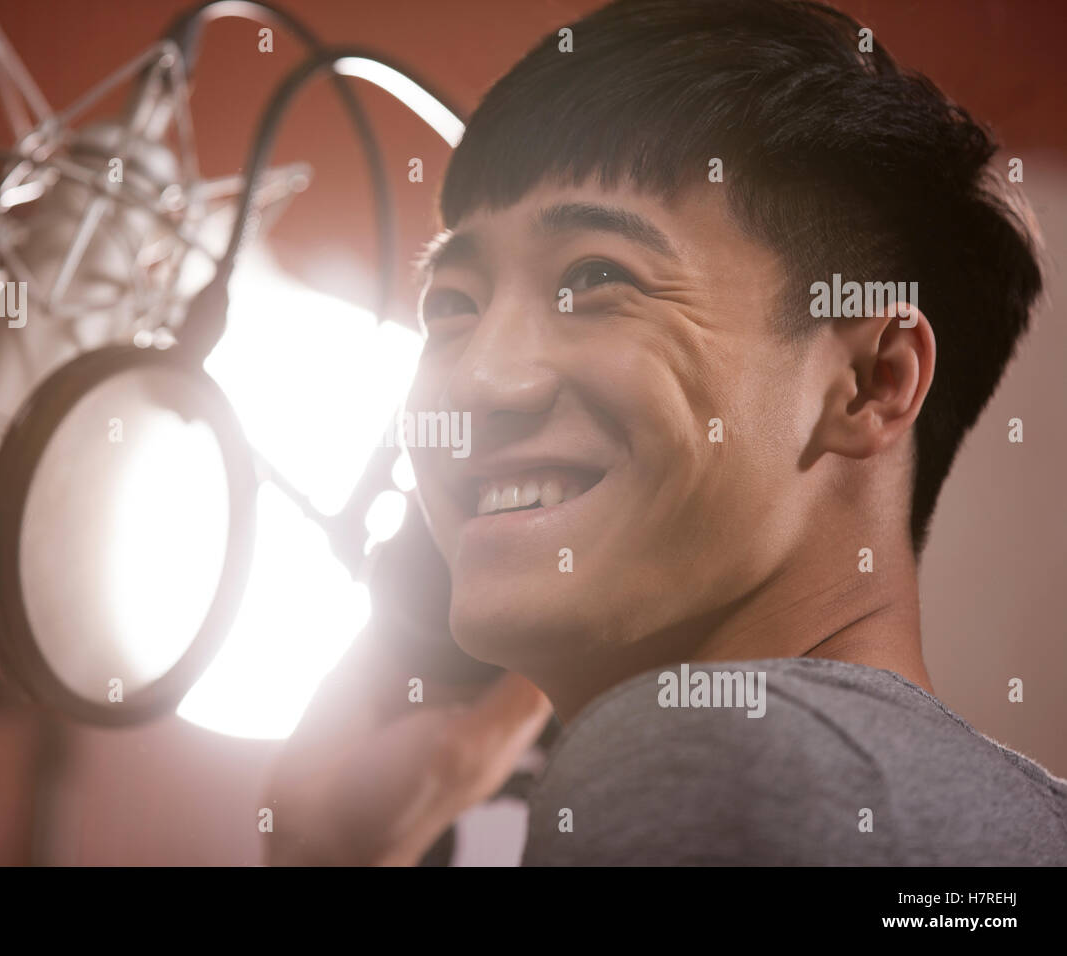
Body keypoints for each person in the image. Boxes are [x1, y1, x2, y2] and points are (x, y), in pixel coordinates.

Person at [263, 0, 1067, 865]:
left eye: (597, 277)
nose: (479, 380)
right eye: (452, 305)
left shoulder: (701, 750)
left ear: (871, 384)